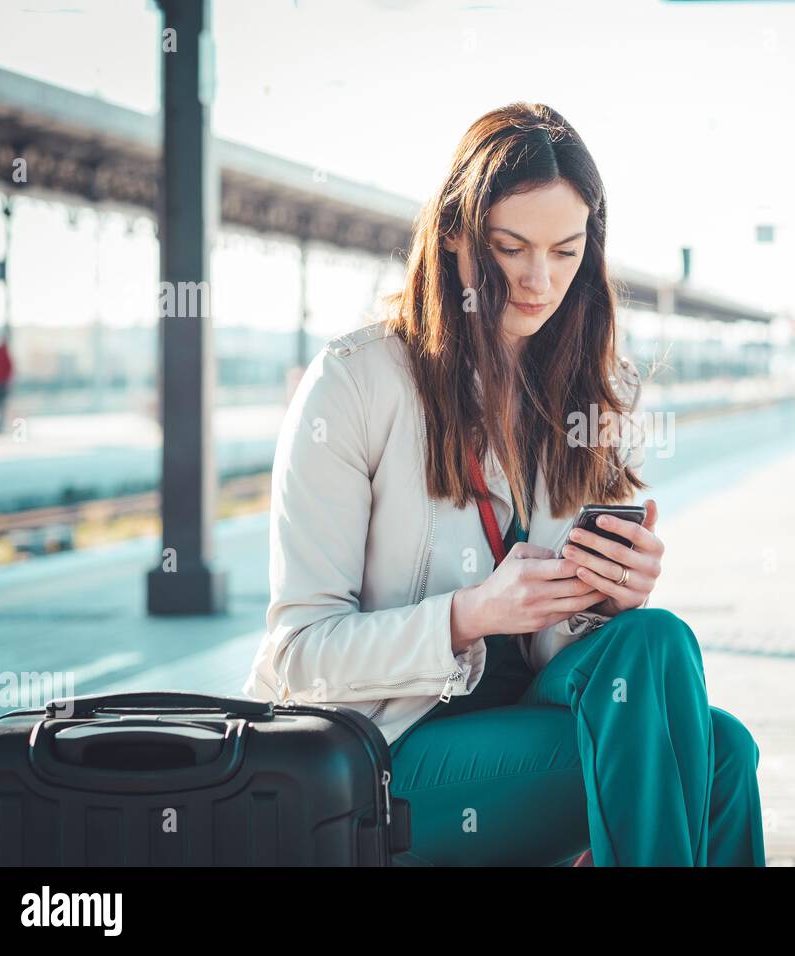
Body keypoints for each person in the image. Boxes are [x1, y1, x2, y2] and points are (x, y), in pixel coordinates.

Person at [242, 102, 765, 867]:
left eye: (565, 250)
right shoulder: (356, 384)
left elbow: (561, 655)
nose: (539, 279)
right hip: (380, 761)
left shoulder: (585, 393)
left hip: (526, 728)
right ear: (453, 235)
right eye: (510, 248)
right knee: (707, 752)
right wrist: (467, 616)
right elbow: (299, 658)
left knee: (672, 670)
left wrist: (603, 594)